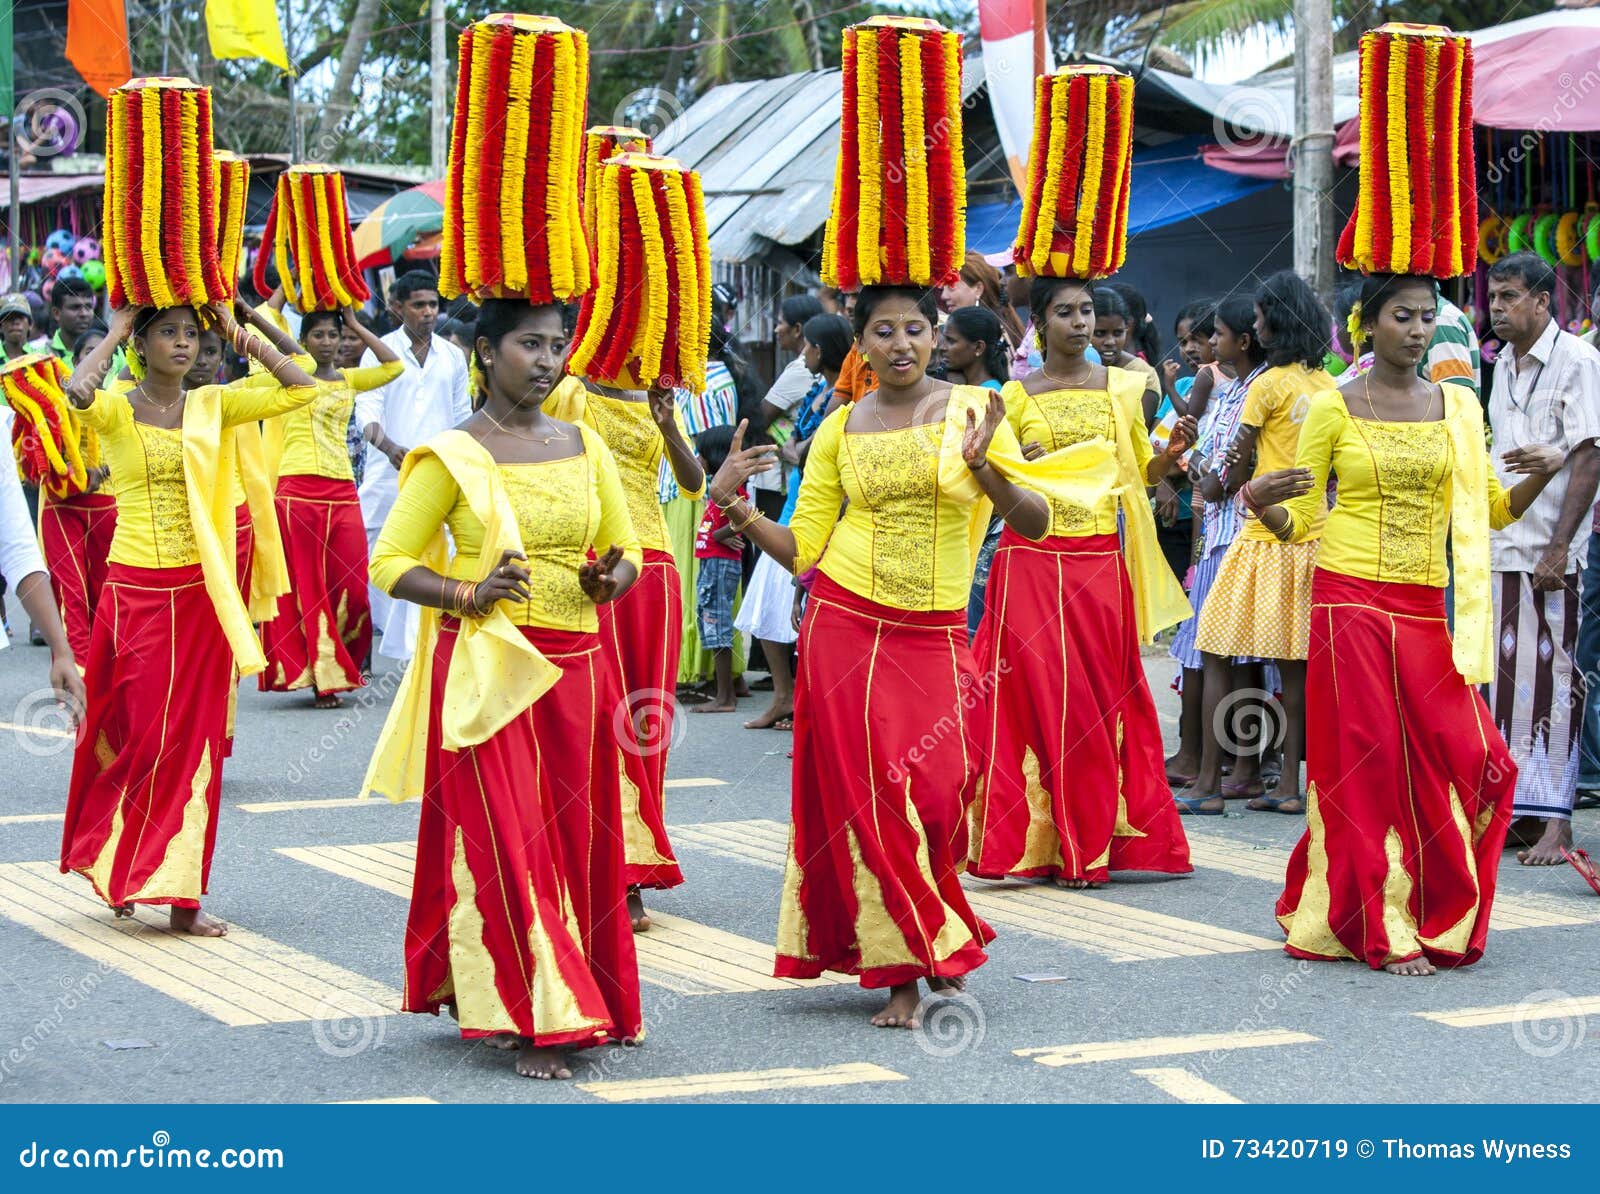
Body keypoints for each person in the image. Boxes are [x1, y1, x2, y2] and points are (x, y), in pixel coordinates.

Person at [706, 285, 1111, 1028]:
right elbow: (802, 553)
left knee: (941, 789)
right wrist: (734, 505)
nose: (901, 343)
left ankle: (932, 927)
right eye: (883, 331)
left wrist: (986, 467)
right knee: (878, 798)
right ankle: (901, 968)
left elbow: (1038, 520)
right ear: (859, 345)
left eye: (917, 329)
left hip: (936, 635)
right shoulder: (837, 428)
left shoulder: (977, 410)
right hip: (845, 625)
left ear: (937, 336)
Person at [1249, 273, 1564, 974]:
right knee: (1369, 761)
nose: (1418, 330)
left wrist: (1546, 471)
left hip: (1424, 608)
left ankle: (1366, 890)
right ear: (1367, 325)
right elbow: (1300, 520)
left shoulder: (1457, 403)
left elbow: (1492, 510)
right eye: (1402, 316)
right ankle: (1380, 919)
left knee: (1477, 758)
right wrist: (1257, 500)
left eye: (1428, 317)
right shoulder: (1332, 406)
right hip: (1348, 600)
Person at [364, 298, 642, 1079]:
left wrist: (606, 578)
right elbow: (390, 562)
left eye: (557, 345)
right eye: (530, 344)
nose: (548, 359)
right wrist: (468, 594)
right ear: (486, 351)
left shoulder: (586, 444)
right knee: (511, 841)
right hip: (490, 672)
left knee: (575, 840)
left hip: (580, 668)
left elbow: (630, 556)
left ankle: (571, 991)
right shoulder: (449, 454)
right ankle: (535, 1013)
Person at [60, 302, 319, 936]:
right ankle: (123, 860)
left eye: (191, 334)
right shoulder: (118, 406)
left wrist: (244, 327)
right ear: (142, 344)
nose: (183, 344)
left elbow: (304, 381)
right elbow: (75, 391)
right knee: (140, 737)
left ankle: (182, 895)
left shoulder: (215, 404)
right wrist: (117, 329)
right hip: (135, 594)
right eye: (168, 333)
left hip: (204, 596)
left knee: (196, 742)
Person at [968, 274, 1195, 887]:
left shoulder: (1125, 387)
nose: (1081, 323)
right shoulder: (1013, 396)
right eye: (1065, 312)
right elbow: (999, 479)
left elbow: (1137, 471)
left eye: (1087, 311)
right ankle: (1036, 841)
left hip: (1098, 561)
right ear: (1040, 323)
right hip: (1030, 561)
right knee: (1032, 698)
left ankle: (1088, 840)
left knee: (1096, 702)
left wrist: (1168, 460)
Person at [543, 357, 705, 934]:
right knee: (598, 719)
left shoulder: (655, 397)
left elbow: (692, 484)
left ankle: (636, 865)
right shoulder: (565, 390)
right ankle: (604, 865)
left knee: (644, 725)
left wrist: (668, 425)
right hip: (601, 568)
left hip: (655, 567)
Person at [1193, 271, 1338, 815]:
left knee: (1213, 649)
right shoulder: (1329, 386)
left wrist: (1209, 479)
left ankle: (1208, 784)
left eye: (1257, 320)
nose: (1253, 328)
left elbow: (1236, 465)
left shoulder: (1267, 384)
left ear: (1274, 322)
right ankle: (1290, 788)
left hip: (1262, 532)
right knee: (1295, 666)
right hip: (1314, 533)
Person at [1483, 252, 1600, 866]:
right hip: (1505, 544)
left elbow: (1589, 455)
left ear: (1543, 301)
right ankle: (1521, 813)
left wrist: (1560, 546)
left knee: (1557, 683)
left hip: (1555, 552)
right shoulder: (1501, 364)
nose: (1498, 308)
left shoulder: (1579, 360)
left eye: (1509, 297)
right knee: (1509, 686)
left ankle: (1558, 822)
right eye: (1493, 297)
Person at [259, 308, 403, 706]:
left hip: (342, 491)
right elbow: (280, 343)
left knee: (353, 587)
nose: (326, 342)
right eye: (318, 335)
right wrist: (250, 318)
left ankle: (342, 663)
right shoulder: (296, 372)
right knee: (310, 588)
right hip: (297, 491)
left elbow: (393, 367)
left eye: (332, 335)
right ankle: (325, 679)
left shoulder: (351, 379)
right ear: (305, 341)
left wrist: (356, 325)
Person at [1171, 296, 1272, 810]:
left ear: (1244, 340)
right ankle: (1234, 770)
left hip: (1240, 533)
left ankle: (1221, 775)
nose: (1210, 343)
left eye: (1218, 334)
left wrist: (1210, 476)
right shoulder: (1231, 391)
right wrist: (1197, 463)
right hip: (1219, 533)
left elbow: (1229, 474)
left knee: (1231, 659)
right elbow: (1209, 462)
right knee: (1229, 659)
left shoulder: (1259, 391)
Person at [735, 312, 852, 730]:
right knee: (769, 600)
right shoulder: (824, 389)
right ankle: (785, 697)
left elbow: (816, 443)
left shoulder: (846, 395)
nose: (803, 355)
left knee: (799, 600)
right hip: (796, 494)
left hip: (817, 497)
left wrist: (797, 450)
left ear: (820, 350)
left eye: (808, 348)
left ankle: (801, 701)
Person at [355, 271, 471, 662]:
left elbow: (461, 416)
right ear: (397, 307)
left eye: (433, 305)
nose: (427, 312)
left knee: (436, 556)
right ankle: (396, 645)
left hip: (440, 475)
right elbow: (366, 413)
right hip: (388, 478)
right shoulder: (379, 352)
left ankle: (420, 655)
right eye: (418, 305)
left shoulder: (452, 356)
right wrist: (388, 447)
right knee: (382, 558)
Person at [943, 305, 1009, 635]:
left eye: (951, 340)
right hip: (968, 525)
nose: (942, 346)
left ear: (978, 348)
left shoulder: (989, 397)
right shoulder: (959, 389)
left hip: (986, 527)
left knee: (972, 627)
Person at [746, 295, 824, 521]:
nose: (776, 330)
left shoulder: (801, 369)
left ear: (797, 329)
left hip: (778, 478)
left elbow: (762, 417)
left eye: (780, 323)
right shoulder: (814, 365)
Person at [692, 425, 744, 714]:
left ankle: (725, 698)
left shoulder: (730, 491)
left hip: (718, 563)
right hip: (715, 562)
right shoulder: (723, 489)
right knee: (713, 619)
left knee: (715, 621)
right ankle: (732, 688)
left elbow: (744, 518)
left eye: (702, 454)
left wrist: (717, 536)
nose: (698, 460)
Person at [1092, 287, 1162, 425]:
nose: (1110, 342)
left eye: (1118, 333)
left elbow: (1134, 434)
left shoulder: (1143, 375)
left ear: (1128, 328)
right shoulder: (1068, 368)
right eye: (1100, 333)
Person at [940, 251, 1027, 355]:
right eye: (942, 288)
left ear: (978, 289)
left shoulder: (987, 337)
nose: (943, 296)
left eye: (951, 287)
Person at [46, 277, 99, 366]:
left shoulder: (113, 352)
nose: (84, 314)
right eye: (75, 307)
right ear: (56, 313)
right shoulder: (41, 357)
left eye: (88, 307)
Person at [1, 293, 33, 361]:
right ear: (0, 327)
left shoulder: (41, 357)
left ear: (30, 324)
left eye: (20, 317)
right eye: (9, 318)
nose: (15, 322)